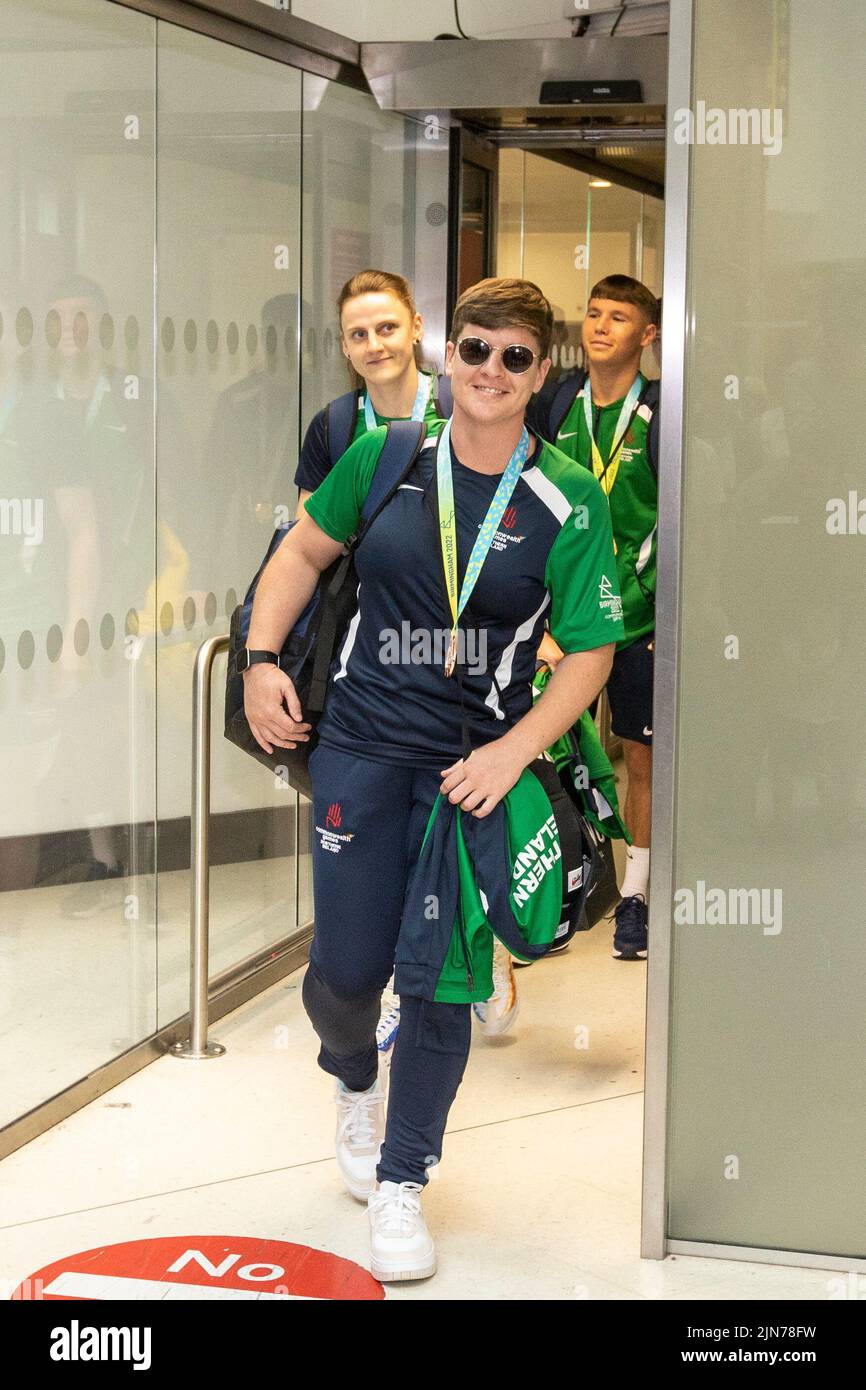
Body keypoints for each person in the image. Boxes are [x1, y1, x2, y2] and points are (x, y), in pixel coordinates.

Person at [242, 276, 623, 1282]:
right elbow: (299, 555)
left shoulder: (567, 496)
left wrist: (510, 753)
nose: (488, 371)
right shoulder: (384, 456)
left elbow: (588, 651)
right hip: (360, 749)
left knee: (439, 979)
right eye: (473, 349)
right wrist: (260, 659)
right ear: (444, 355)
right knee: (348, 971)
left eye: (513, 357)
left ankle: (404, 1179)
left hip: (472, 769)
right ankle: (351, 1074)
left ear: (540, 375)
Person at [528, 274, 660, 961]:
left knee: (640, 757)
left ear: (649, 335)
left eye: (619, 317)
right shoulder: (555, 403)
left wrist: (668, 612)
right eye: (594, 313)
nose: (601, 325)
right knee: (553, 749)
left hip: (639, 621)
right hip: (562, 624)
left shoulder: (663, 414)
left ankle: (635, 896)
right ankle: (560, 886)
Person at [294, 268, 448, 513]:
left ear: (416, 328)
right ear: (345, 345)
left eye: (387, 328)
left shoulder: (457, 407)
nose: (374, 346)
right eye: (359, 335)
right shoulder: (331, 427)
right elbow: (303, 544)